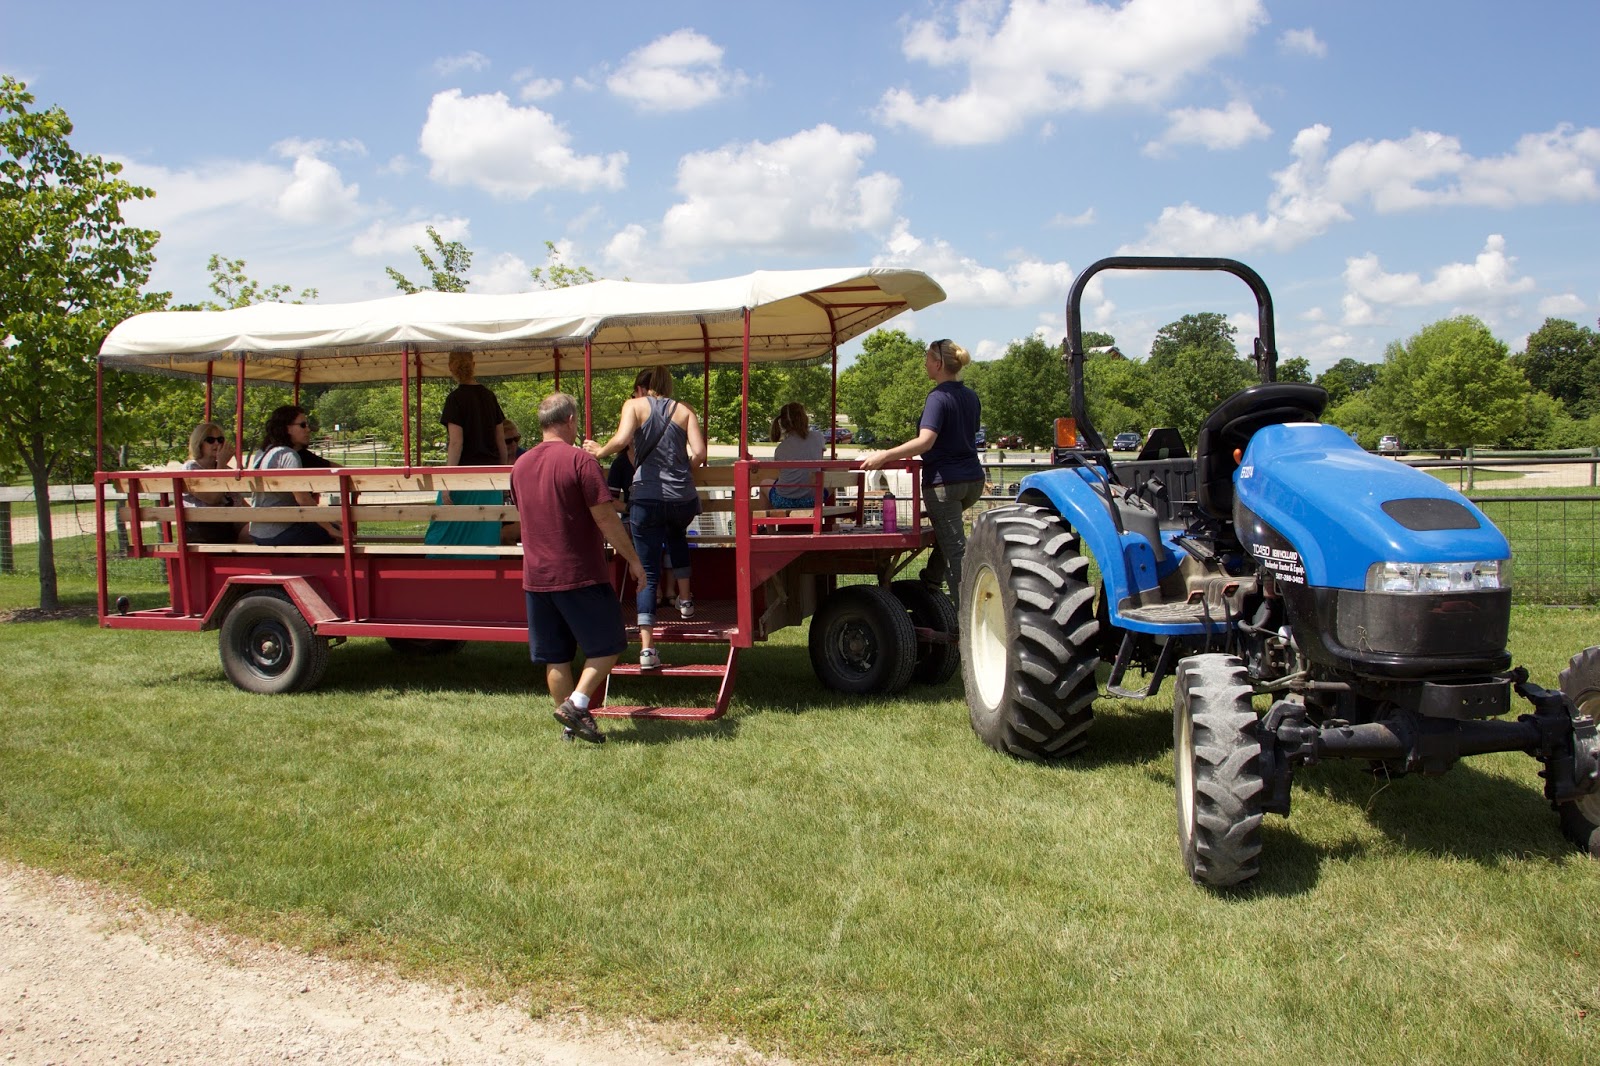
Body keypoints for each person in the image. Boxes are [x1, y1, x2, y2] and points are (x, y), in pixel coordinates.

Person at [510, 392, 646, 744]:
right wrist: (633, 559)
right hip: (578, 572)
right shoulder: (581, 462)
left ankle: (571, 727)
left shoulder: (520, 465)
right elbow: (606, 518)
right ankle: (579, 703)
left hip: (536, 575)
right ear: (570, 419)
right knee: (610, 643)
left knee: (555, 657)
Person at [583, 366, 707, 671]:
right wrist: (683, 469)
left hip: (647, 499)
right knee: (677, 536)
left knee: (648, 572)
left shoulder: (634, 406)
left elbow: (622, 438)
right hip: (682, 500)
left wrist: (598, 452)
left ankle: (648, 649)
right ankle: (687, 601)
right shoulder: (685, 411)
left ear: (642, 387)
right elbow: (701, 453)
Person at [861, 338, 984, 605]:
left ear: (938, 364)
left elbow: (925, 441)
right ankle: (930, 582)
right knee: (948, 537)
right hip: (973, 481)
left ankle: (966, 618)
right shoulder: (971, 396)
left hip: (944, 484)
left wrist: (885, 455)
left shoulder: (938, 398)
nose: (925, 363)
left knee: (956, 552)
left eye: (927, 358)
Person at [424, 349, 508, 551]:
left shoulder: (455, 399)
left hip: (463, 476)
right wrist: (504, 475)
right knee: (485, 532)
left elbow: (456, 443)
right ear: (474, 365)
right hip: (490, 478)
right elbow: (501, 442)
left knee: (444, 529)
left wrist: (446, 482)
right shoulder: (489, 396)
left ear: (451, 368)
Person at [248, 405, 340, 547]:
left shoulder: (263, 452)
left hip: (258, 532)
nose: (308, 429)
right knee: (339, 534)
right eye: (302, 425)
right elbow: (302, 498)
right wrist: (329, 528)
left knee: (329, 528)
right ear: (287, 428)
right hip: (280, 531)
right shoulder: (288, 455)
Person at [180, 421, 247, 544]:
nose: (216, 443)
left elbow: (239, 499)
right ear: (199, 443)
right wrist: (221, 464)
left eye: (220, 440)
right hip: (205, 529)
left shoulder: (223, 468)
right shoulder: (191, 468)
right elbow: (213, 498)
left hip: (228, 525)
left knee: (266, 530)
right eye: (210, 440)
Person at [764, 402, 825, 509]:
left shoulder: (780, 449)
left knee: (764, 483)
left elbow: (781, 473)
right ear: (804, 418)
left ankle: (768, 526)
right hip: (813, 499)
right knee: (836, 470)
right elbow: (819, 461)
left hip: (784, 500)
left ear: (782, 423)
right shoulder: (817, 437)